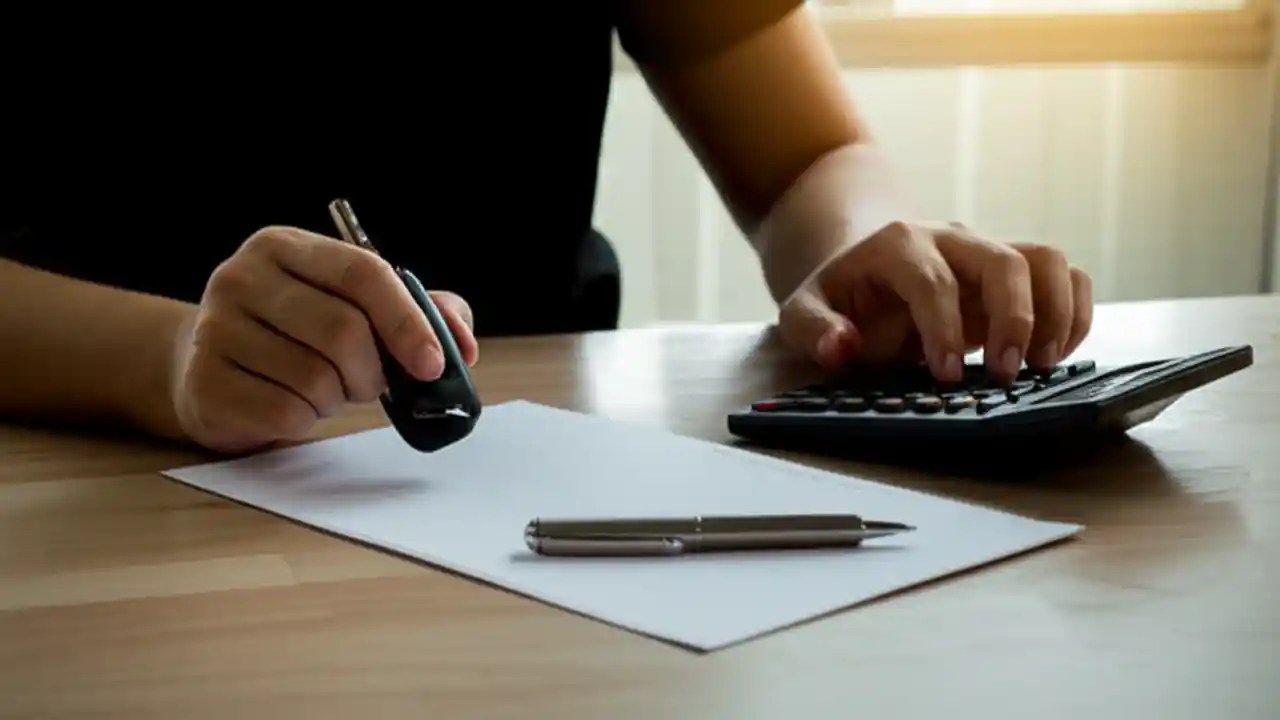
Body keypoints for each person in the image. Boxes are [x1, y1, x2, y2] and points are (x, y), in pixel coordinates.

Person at [0, 2, 1092, 454]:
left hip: (523, 483)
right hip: (93, 476)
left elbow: (807, 155)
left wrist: (860, 245)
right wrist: (170, 362)